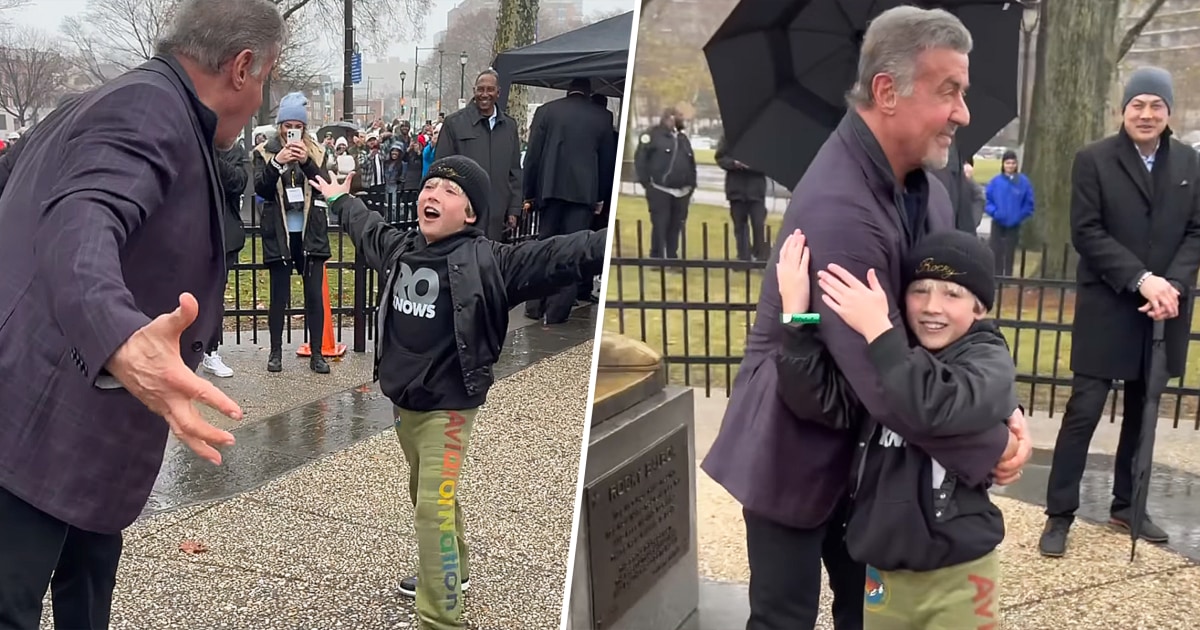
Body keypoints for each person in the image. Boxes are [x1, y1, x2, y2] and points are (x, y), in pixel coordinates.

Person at [700, 8, 1032, 629]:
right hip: (794, 452)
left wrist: (1000, 406)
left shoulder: (927, 189)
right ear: (887, 92)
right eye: (948, 91)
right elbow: (880, 381)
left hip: (868, 457)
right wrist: (989, 445)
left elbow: (948, 320)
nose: (962, 113)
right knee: (784, 620)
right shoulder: (840, 210)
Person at [0, 0, 283, 627]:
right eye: (267, 79)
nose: (261, 100)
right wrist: (121, 336)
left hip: (86, 436)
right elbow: (82, 217)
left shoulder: (105, 100)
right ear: (241, 67)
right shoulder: (150, 106)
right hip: (38, 426)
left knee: (85, 588)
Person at [309, 155, 606, 630]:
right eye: (430, 186)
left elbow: (563, 253)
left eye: (449, 191)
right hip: (405, 403)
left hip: (449, 409)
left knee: (431, 507)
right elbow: (367, 228)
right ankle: (455, 571)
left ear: (470, 213)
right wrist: (342, 199)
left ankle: (441, 617)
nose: (432, 195)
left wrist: (617, 239)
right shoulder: (401, 249)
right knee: (429, 494)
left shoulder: (491, 261)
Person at [775, 229, 1016, 629]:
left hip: (959, 575)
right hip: (884, 576)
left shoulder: (987, 359)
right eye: (919, 290)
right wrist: (798, 315)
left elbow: (935, 405)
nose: (931, 307)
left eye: (952, 294)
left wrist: (879, 332)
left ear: (980, 308)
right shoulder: (890, 356)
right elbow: (818, 402)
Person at [1040, 66, 1200, 558]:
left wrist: (1169, 285)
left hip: (1163, 309)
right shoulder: (1093, 160)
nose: (1146, 114)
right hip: (1110, 303)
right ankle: (1059, 512)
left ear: (1169, 112)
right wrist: (1141, 279)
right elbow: (1086, 232)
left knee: (1143, 412)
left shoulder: (1191, 163)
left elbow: (1195, 231)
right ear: (1122, 110)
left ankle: (1127, 504)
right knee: (1083, 411)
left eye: (1156, 105)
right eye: (1138, 105)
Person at [520, 77, 616, 324]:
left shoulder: (547, 112)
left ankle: (534, 303)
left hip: (549, 190)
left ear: (567, 91)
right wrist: (600, 198)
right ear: (588, 92)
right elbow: (606, 163)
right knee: (573, 251)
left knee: (544, 246)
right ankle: (558, 309)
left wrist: (528, 192)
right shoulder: (602, 118)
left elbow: (532, 156)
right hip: (584, 194)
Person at [252, 92, 334, 375]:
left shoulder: (318, 151)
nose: (290, 130)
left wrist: (305, 162)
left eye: (295, 125)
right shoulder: (264, 151)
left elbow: (324, 183)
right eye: (286, 125)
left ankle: (318, 354)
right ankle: (275, 353)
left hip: (310, 234)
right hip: (280, 233)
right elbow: (261, 188)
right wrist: (278, 162)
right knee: (279, 297)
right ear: (279, 126)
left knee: (314, 296)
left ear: (303, 126)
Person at [435, 68, 522, 241]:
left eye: (490, 89)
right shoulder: (454, 123)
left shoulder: (509, 126)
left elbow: (515, 172)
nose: (485, 94)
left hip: (498, 219)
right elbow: (441, 170)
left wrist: (513, 209)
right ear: (474, 91)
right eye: (480, 89)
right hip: (464, 217)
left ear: (498, 93)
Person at [203, 142, 250, 378]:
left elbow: (238, 182)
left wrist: (209, 155)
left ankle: (211, 350)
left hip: (223, 235)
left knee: (214, 297)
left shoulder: (235, 152)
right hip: (191, 231)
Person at [634, 107, 697, 259]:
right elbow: (641, 159)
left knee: (676, 225)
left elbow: (691, 163)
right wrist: (647, 183)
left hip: (682, 192)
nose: (683, 121)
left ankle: (672, 255)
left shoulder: (682, 139)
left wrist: (691, 185)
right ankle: (657, 256)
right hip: (659, 189)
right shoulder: (652, 135)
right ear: (670, 118)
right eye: (680, 117)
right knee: (660, 223)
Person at [715, 134, 769, 261]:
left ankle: (760, 256)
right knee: (740, 226)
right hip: (736, 190)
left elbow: (768, 161)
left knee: (758, 224)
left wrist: (751, 165)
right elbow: (720, 157)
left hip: (756, 191)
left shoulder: (762, 138)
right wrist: (734, 163)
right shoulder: (729, 137)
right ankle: (743, 256)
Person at [983, 150, 1034, 275]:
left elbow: (1029, 203)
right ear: (1003, 164)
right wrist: (994, 212)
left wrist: (1019, 216)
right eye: (1007, 163)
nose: (1010, 166)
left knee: (1010, 251)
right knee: (996, 250)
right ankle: (997, 276)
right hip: (998, 221)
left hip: (1014, 223)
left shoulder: (1023, 182)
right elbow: (986, 200)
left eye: (1013, 163)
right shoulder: (995, 182)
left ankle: (1008, 276)